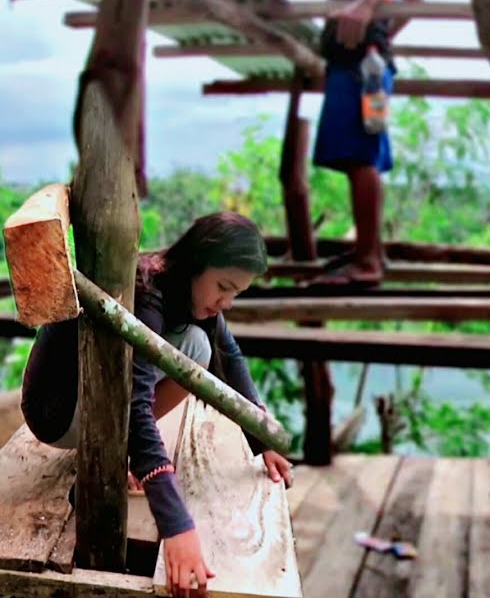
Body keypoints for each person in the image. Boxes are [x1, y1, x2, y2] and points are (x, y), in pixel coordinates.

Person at [21, 212, 293, 598]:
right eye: (222, 287)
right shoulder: (147, 295)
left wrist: (263, 438)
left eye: (235, 293)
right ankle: (112, 460)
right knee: (193, 352)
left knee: (200, 346)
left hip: (87, 401)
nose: (226, 302)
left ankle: (123, 455)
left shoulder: (179, 283)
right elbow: (136, 410)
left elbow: (229, 356)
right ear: (197, 263)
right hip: (56, 413)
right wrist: (177, 524)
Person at [311, 0, 423, 286]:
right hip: (372, 64)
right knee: (366, 157)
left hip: (359, 64)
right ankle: (370, 253)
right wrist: (382, 31)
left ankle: (366, 263)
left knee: (360, 156)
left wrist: (365, 5)